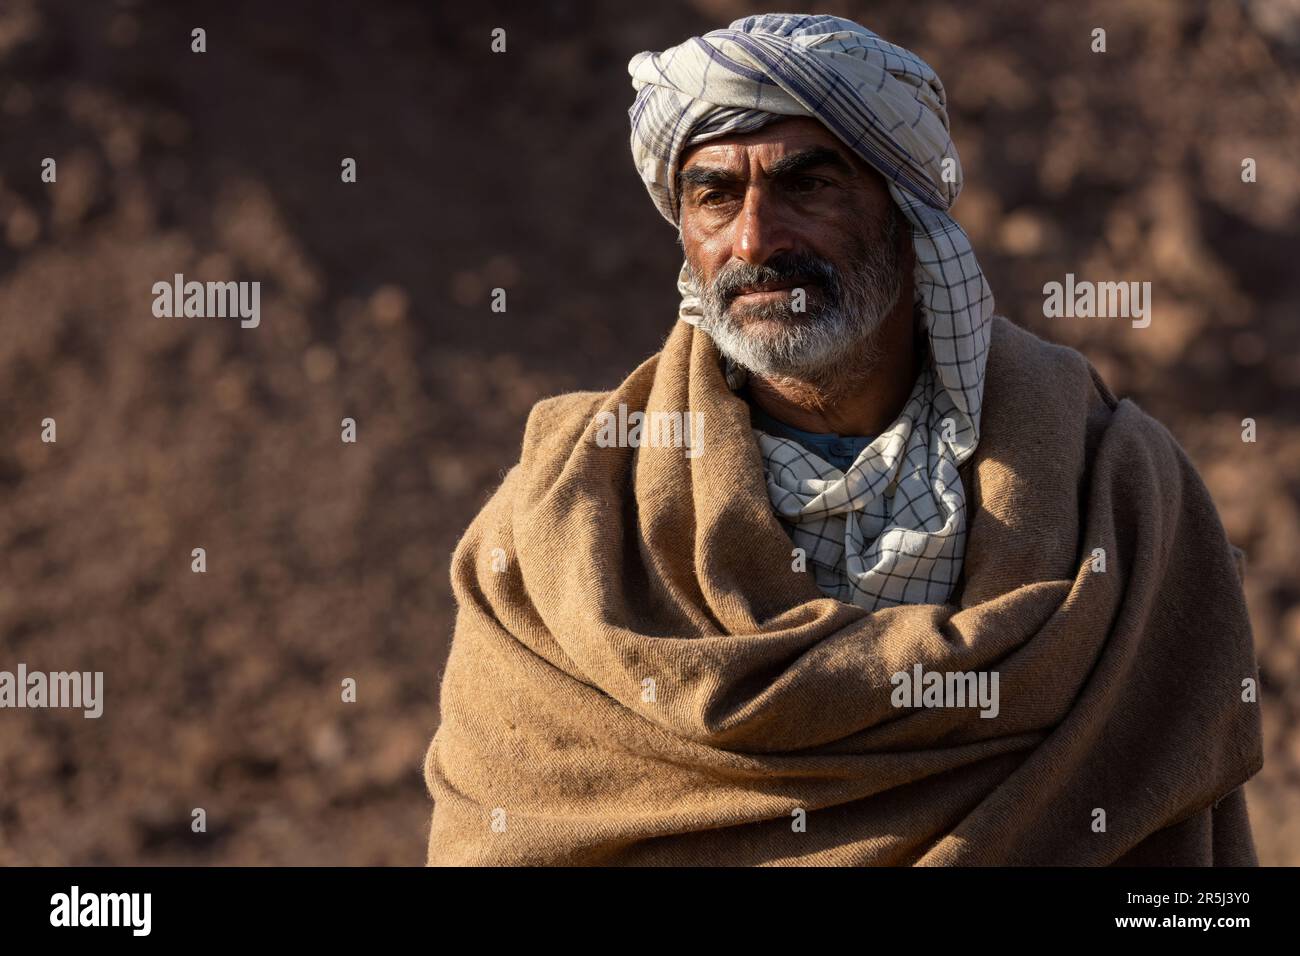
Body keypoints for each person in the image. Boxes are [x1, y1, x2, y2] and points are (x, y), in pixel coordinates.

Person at [423, 14, 1262, 865]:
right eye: (716, 196)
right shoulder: (570, 509)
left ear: (907, 218)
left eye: (807, 187)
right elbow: (507, 812)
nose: (755, 240)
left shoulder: (1114, 493)